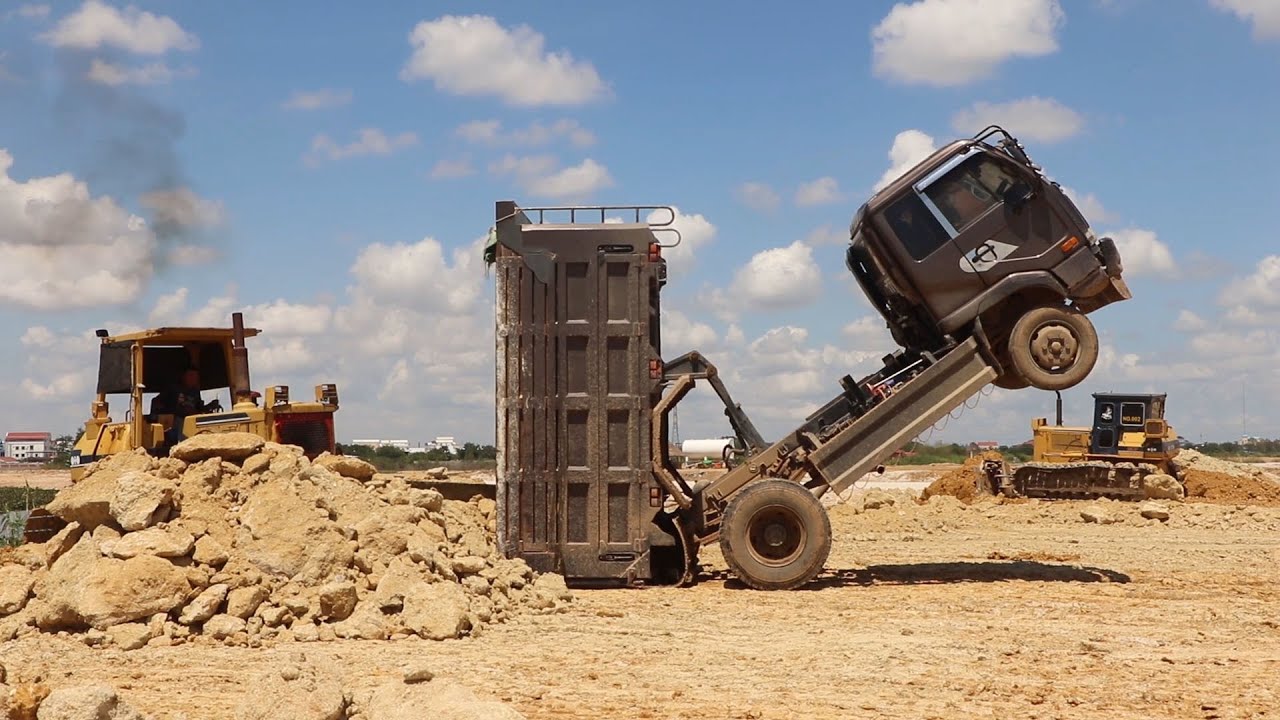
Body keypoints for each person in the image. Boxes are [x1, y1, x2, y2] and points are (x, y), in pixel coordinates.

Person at [150, 368, 217, 445]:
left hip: (192, 422)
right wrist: (171, 412)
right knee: (181, 420)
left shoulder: (195, 392)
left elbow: (200, 409)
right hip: (174, 424)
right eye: (191, 375)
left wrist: (210, 406)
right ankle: (183, 445)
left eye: (196, 376)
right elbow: (155, 402)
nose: (193, 378)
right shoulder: (174, 389)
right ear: (183, 376)